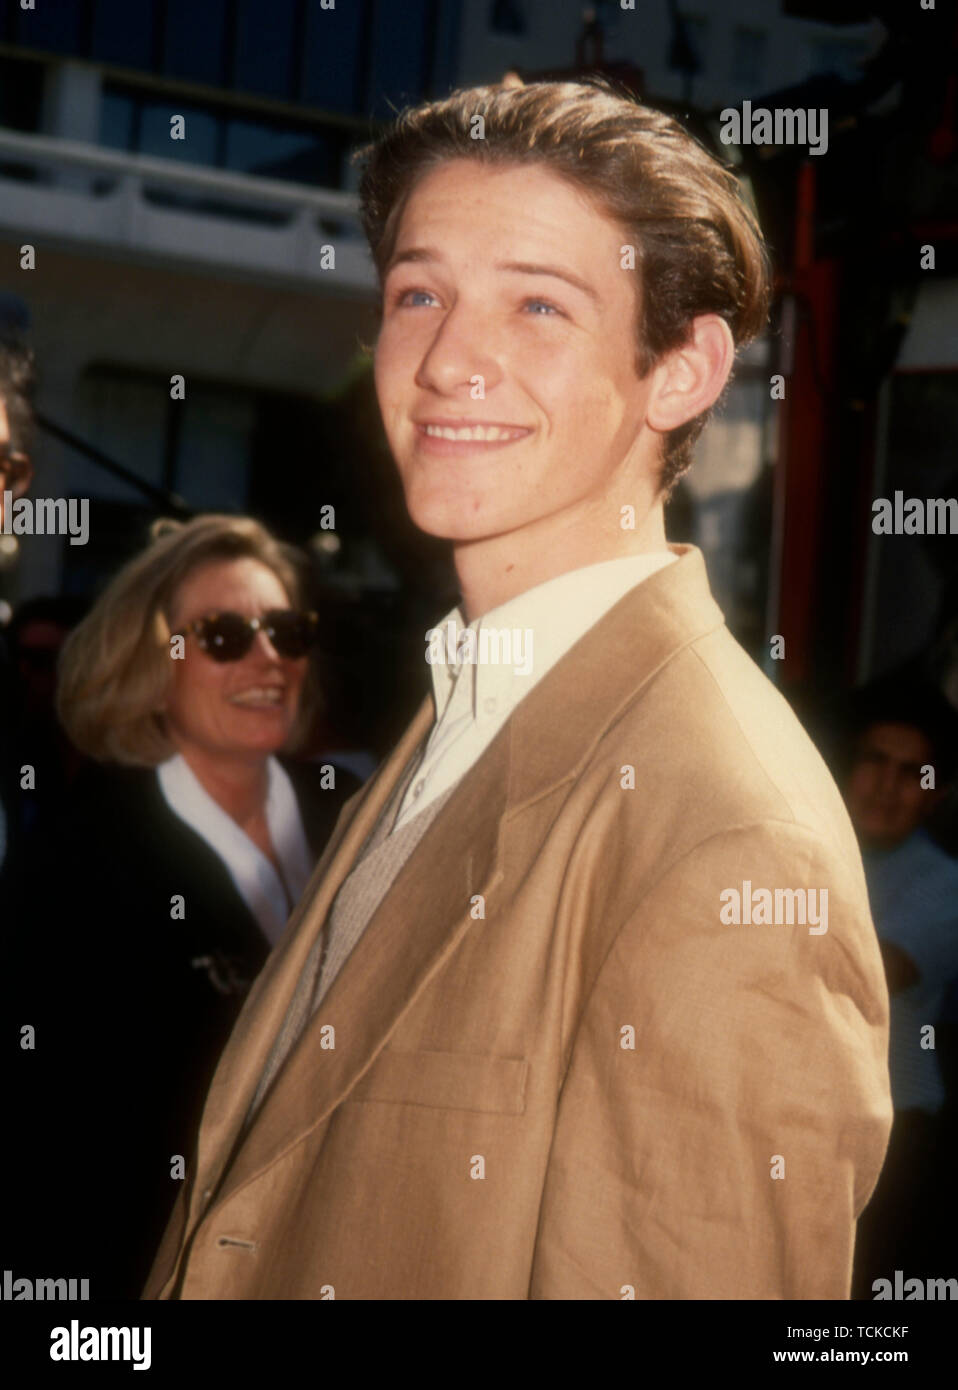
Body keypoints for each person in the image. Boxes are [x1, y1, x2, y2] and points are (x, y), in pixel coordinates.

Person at [146, 78, 891, 1301]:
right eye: (418, 293)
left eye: (539, 304)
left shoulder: (722, 837)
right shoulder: (477, 700)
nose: (448, 360)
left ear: (683, 369)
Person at [10, 514, 358, 1298]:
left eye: (286, 631)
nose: (269, 658)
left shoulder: (357, 816)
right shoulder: (79, 864)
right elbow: (47, 1147)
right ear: (149, 662)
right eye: (227, 637)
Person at [843, 679, 958, 1294]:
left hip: (898, 1135)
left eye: (912, 772)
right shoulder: (814, 846)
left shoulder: (947, 885)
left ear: (934, 796)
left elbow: (871, 970)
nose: (886, 786)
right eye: (873, 762)